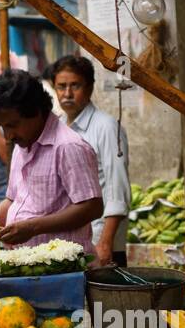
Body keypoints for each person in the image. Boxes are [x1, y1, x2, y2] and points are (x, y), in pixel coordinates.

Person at [0, 69, 103, 250]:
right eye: (2, 127)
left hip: (62, 269)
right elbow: (13, 200)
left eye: (12, 125)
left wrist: (33, 227)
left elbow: (92, 207)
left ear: (36, 111)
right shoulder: (21, 145)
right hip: (26, 265)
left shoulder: (67, 146)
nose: (8, 136)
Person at [50, 55, 131, 266]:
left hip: (101, 242)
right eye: (61, 87)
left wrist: (105, 243)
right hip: (69, 245)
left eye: (75, 86)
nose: (67, 94)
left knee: (103, 300)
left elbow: (117, 189)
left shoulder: (106, 127)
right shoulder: (57, 127)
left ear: (90, 88)